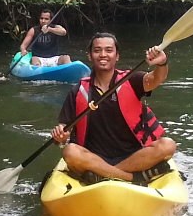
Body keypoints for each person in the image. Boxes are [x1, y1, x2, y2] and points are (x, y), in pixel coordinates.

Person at [49, 32, 176, 185]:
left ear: (117, 56)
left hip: (133, 156)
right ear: (90, 56)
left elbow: (157, 78)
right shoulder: (78, 91)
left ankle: (102, 174)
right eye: (97, 50)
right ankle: (131, 177)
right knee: (69, 151)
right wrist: (60, 135)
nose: (103, 55)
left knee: (168, 145)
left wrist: (161, 63)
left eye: (109, 50)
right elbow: (64, 126)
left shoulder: (131, 80)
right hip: (93, 157)